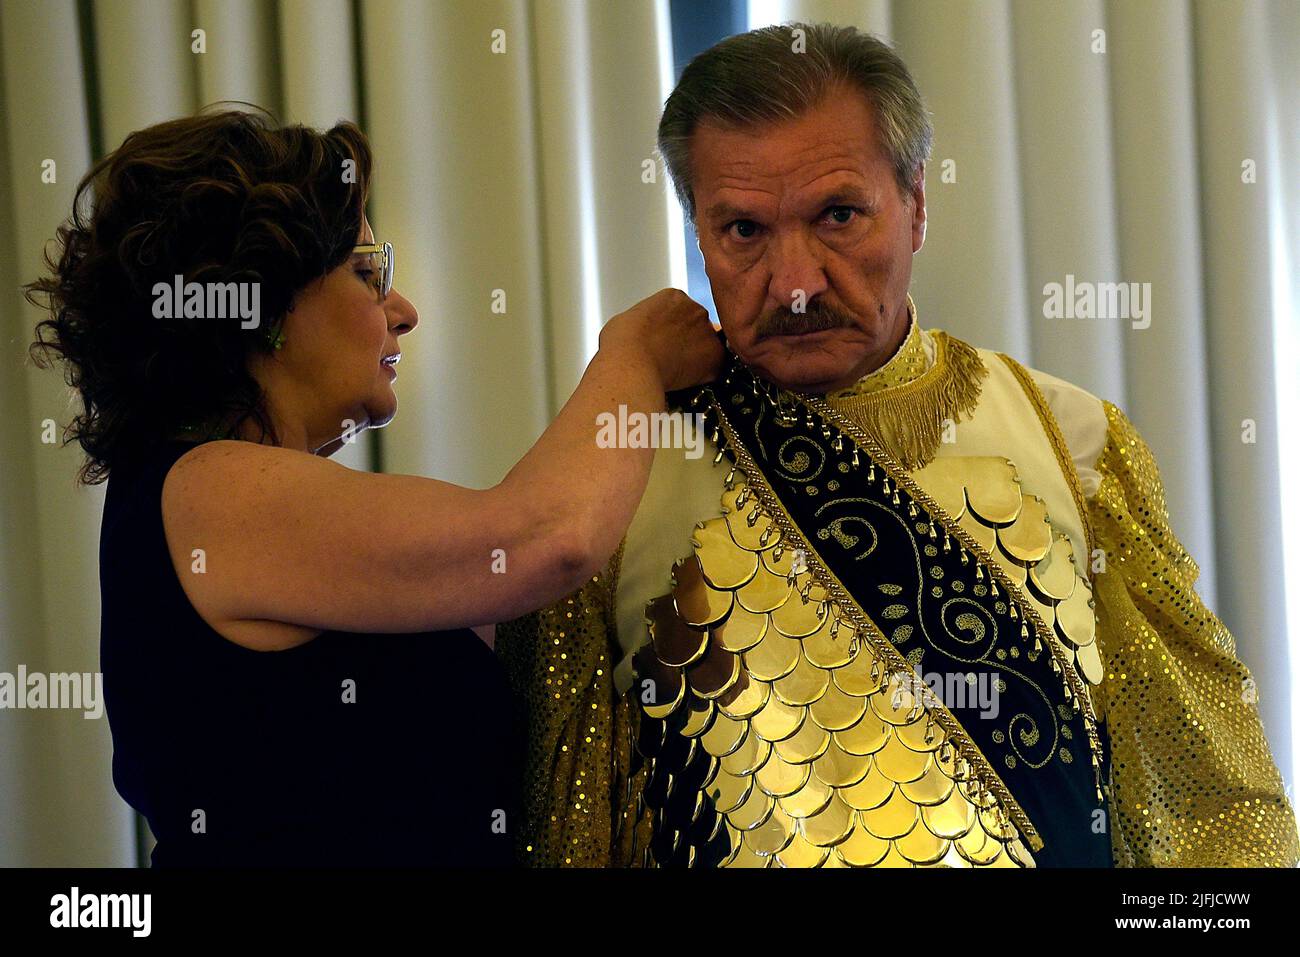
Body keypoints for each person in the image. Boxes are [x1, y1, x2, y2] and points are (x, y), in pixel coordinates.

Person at [498, 23, 1300, 868]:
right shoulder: (613, 478)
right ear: (698, 232)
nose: (796, 283)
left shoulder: (1078, 444)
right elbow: (565, 826)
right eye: (743, 232)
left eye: (838, 215)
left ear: (916, 204)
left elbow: (1213, 814)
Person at [26, 108, 722, 866]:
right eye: (367, 272)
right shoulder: (209, 489)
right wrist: (635, 357)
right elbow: (544, 540)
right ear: (264, 304)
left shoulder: (222, 498)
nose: (404, 311)